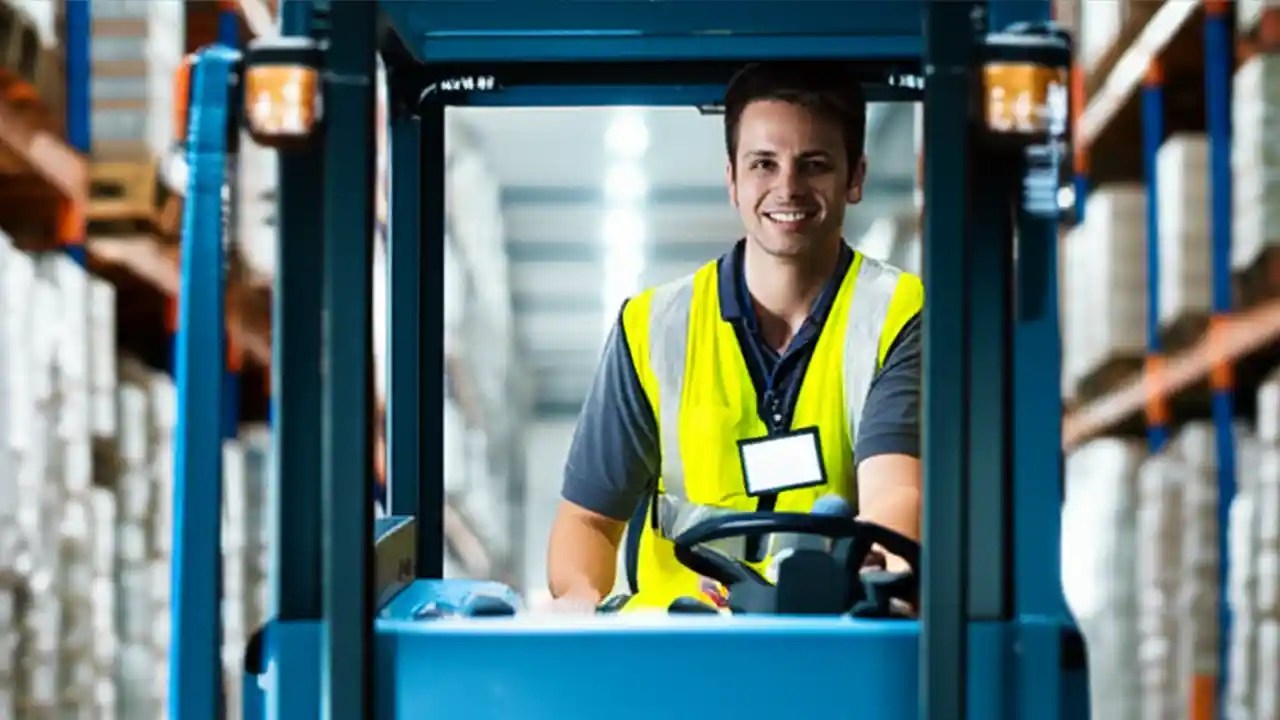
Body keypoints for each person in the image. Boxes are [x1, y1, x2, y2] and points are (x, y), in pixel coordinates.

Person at [545, 61, 923, 612]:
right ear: (733, 180)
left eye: (814, 164)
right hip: (677, 657)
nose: (787, 187)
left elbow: (895, 492)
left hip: (827, 647)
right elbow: (587, 522)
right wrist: (581, 604)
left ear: (855, 177)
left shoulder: (894, 313)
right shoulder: (653, 326)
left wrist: (884, 581)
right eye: (763, 164)